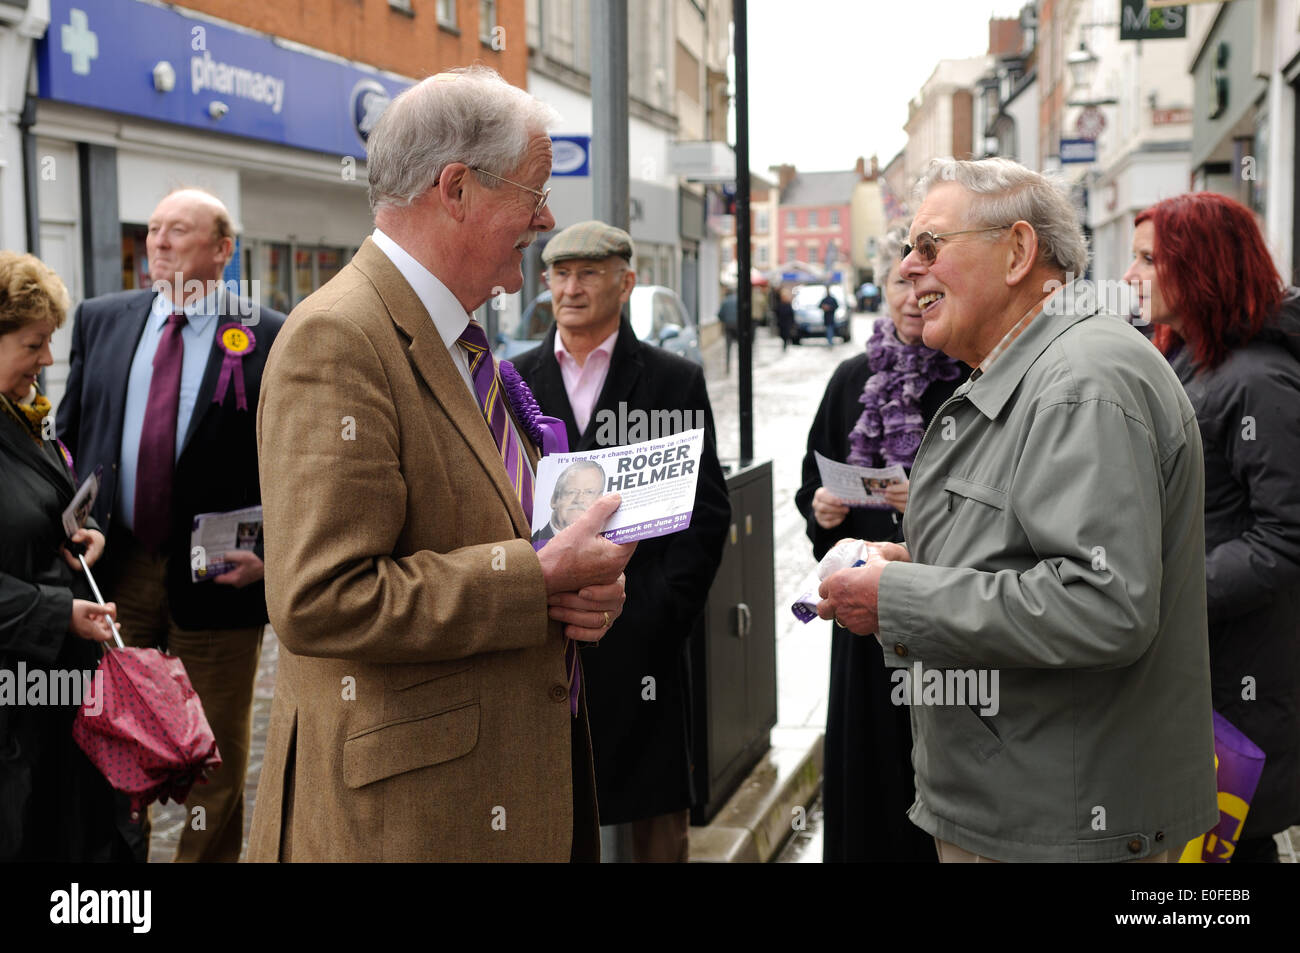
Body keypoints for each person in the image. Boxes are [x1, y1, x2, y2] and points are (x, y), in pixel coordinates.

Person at [249, 67, 635, 862]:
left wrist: (575, 590)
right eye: (533, 190)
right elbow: (321, 596)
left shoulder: (458, 336)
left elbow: (495, 524)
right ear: (455, 188)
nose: (548, 216)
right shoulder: (340, 338)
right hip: (410, 824)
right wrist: (537, 578)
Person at [816, 156, 1218, 863]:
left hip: (1059, 824)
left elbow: (1104, 603)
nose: (909, 268)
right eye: (907, 248)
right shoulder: (1040, 367)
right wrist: (909, 564)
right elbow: (1027, 556)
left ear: (1019, 253)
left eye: (930, 245)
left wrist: (901, 597)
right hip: (1028, 806)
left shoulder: (1080, 379)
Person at [57, 188, 284, 863]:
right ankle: (116, 877)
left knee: (210, 751)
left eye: (178, 231)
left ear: (222, 250)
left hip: (219, 576)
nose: (158, 242)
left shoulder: (268, 332)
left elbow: (296, 458)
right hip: (115, 563)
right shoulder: (101, 319)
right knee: (112, 733)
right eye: (153, 229)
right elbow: (69, 439)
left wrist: (272, 548)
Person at [513, 220, 729, 863]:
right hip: (543, 638)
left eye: (589, 274)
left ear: (626, 282)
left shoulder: (672, 380)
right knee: (549, 814)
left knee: (652, 833)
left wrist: (658, 611)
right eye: (559, 274)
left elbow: (706, 512)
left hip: (642, 647)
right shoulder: (510, 379)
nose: (571, 288)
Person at [1123, 192, 1300, 863]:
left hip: (1237, 679)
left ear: (1199, 267)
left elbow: (1284, 538)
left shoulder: (1259, 382)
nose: (1131, 276)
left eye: (1147, 259)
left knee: (1230, 851)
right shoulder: (1194, 361)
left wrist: (1167, 593)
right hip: (1199, 668)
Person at [795, 225, 964, 862]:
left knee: (931, 771)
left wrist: (921, 501)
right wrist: (821, 508)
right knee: (870, 775)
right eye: (898, 281)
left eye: (920, 283)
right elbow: (812, 477)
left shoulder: (969, 376)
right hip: (864, 621)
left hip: (942, 617)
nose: (909, 295)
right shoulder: (851, 378)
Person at [0, 251, 129, 862]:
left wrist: (89, 530)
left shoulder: (24, 416)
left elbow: (55, 493)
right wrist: (59, 613)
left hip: (53, 688)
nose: (48, 361)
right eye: (33, 345)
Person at [533, 460, 606, 543]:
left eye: (589, 492)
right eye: (571, 492)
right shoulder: (534, 545)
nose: (579, 500)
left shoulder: (608, 542)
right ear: (554, 500)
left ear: (600, 499)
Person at [717, 290, 739, 373]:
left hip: (728, 326)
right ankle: (740, 364)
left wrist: (725, 320)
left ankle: (728, 367)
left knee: (728, 347)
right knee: (739, 347)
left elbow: (719, 315)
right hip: (737, 326)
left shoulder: (725, 301)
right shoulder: (738, 300)